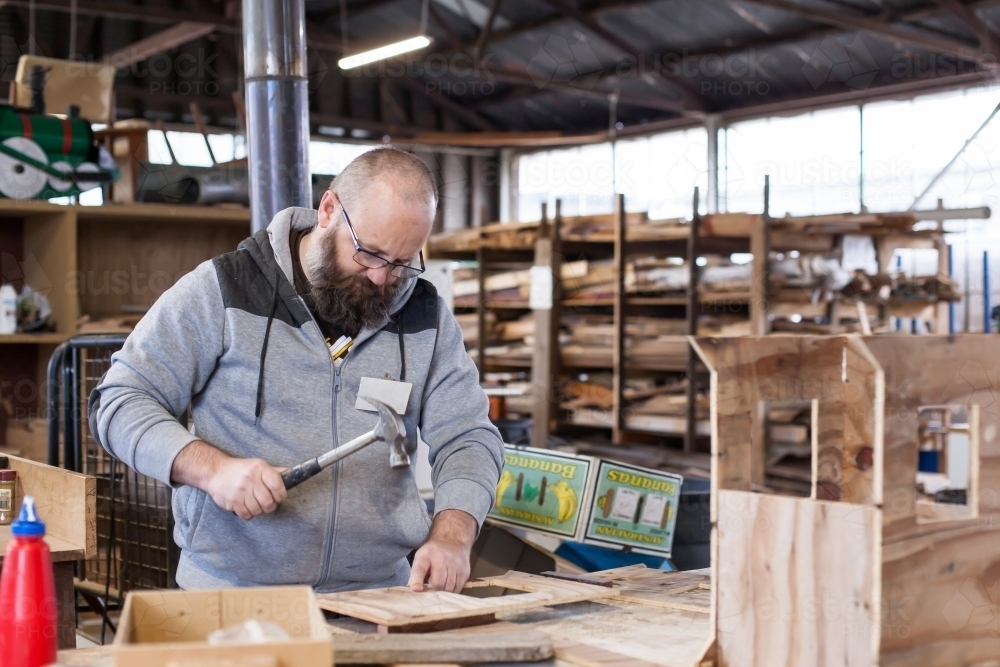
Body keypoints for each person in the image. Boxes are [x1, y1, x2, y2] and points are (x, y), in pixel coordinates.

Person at [89, 147, 504, 593]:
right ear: (328, 210)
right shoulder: (224, 291)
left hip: (380, 596)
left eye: (402, 262)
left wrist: (453, 535)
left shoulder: (426, 316)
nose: (382, 279)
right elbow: (119, 402)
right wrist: (212, 470)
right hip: (235, 597)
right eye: (370, 254)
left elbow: (468, 436)